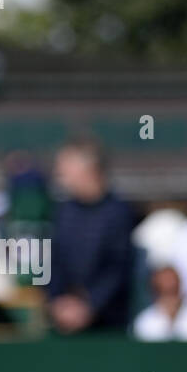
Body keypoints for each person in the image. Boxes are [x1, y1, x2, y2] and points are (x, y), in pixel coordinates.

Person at [46, 137, 136, 333]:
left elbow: (118, 268)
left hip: (108, 324)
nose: (59, 173)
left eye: (65, 166)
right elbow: (54, 262)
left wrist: (89, 305)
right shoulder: (63, 211)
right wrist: (57, 302)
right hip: (63, 321)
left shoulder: (119, 213)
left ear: (89, 169)